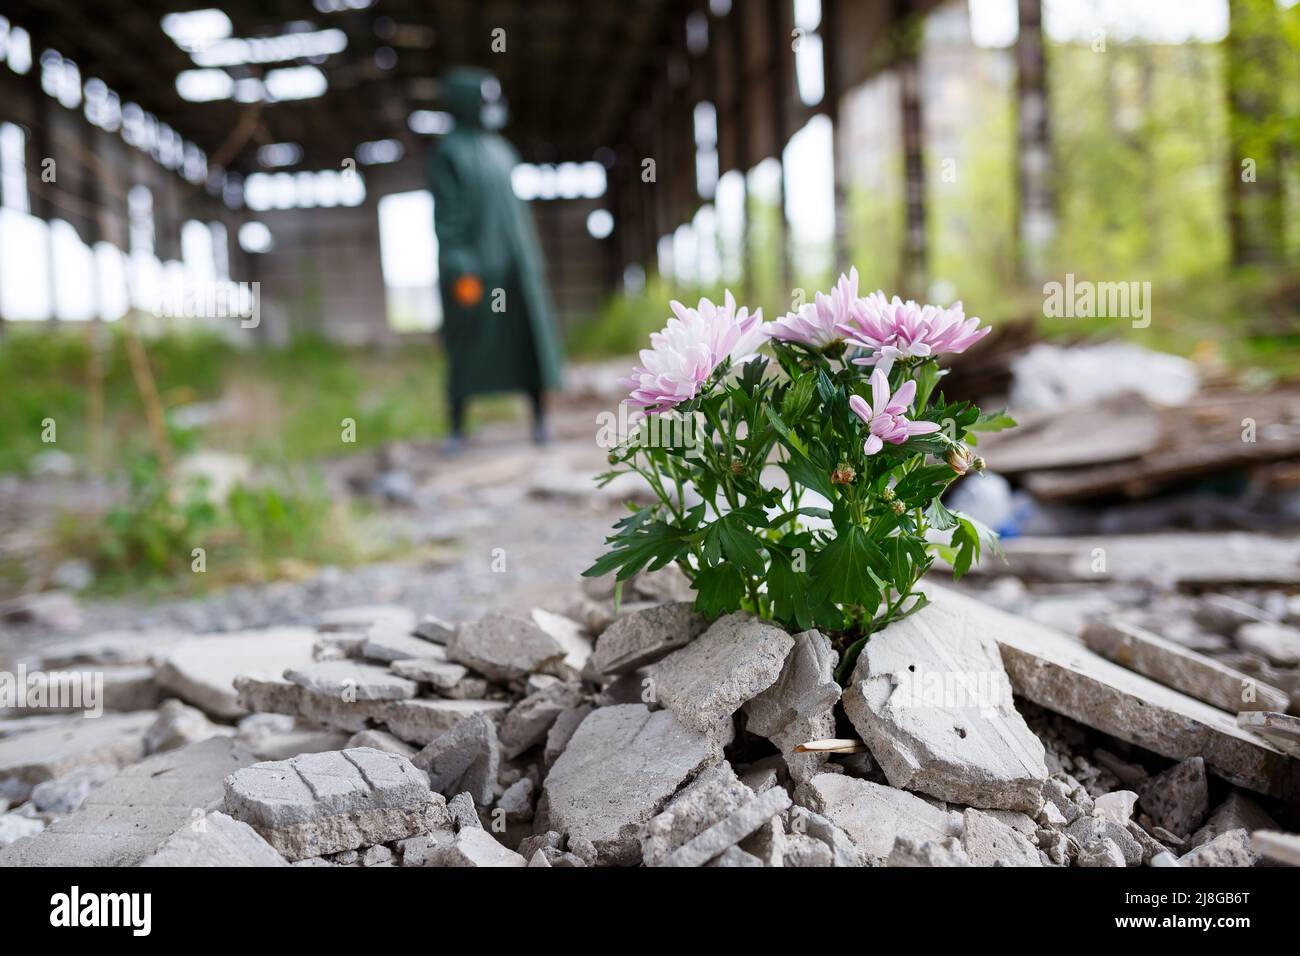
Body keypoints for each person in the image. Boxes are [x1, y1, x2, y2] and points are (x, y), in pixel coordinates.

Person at [428, 67, 564, 450]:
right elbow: (447, 216)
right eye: (484, 100)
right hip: (476, 271)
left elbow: (516, 213)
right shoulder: (449, 152)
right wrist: (458, 264)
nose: (492, 107)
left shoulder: (503, 151)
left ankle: (539, 421)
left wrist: (531, 259)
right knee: (467, 346)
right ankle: (457, 428)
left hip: (515, 267)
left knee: (528, 344)